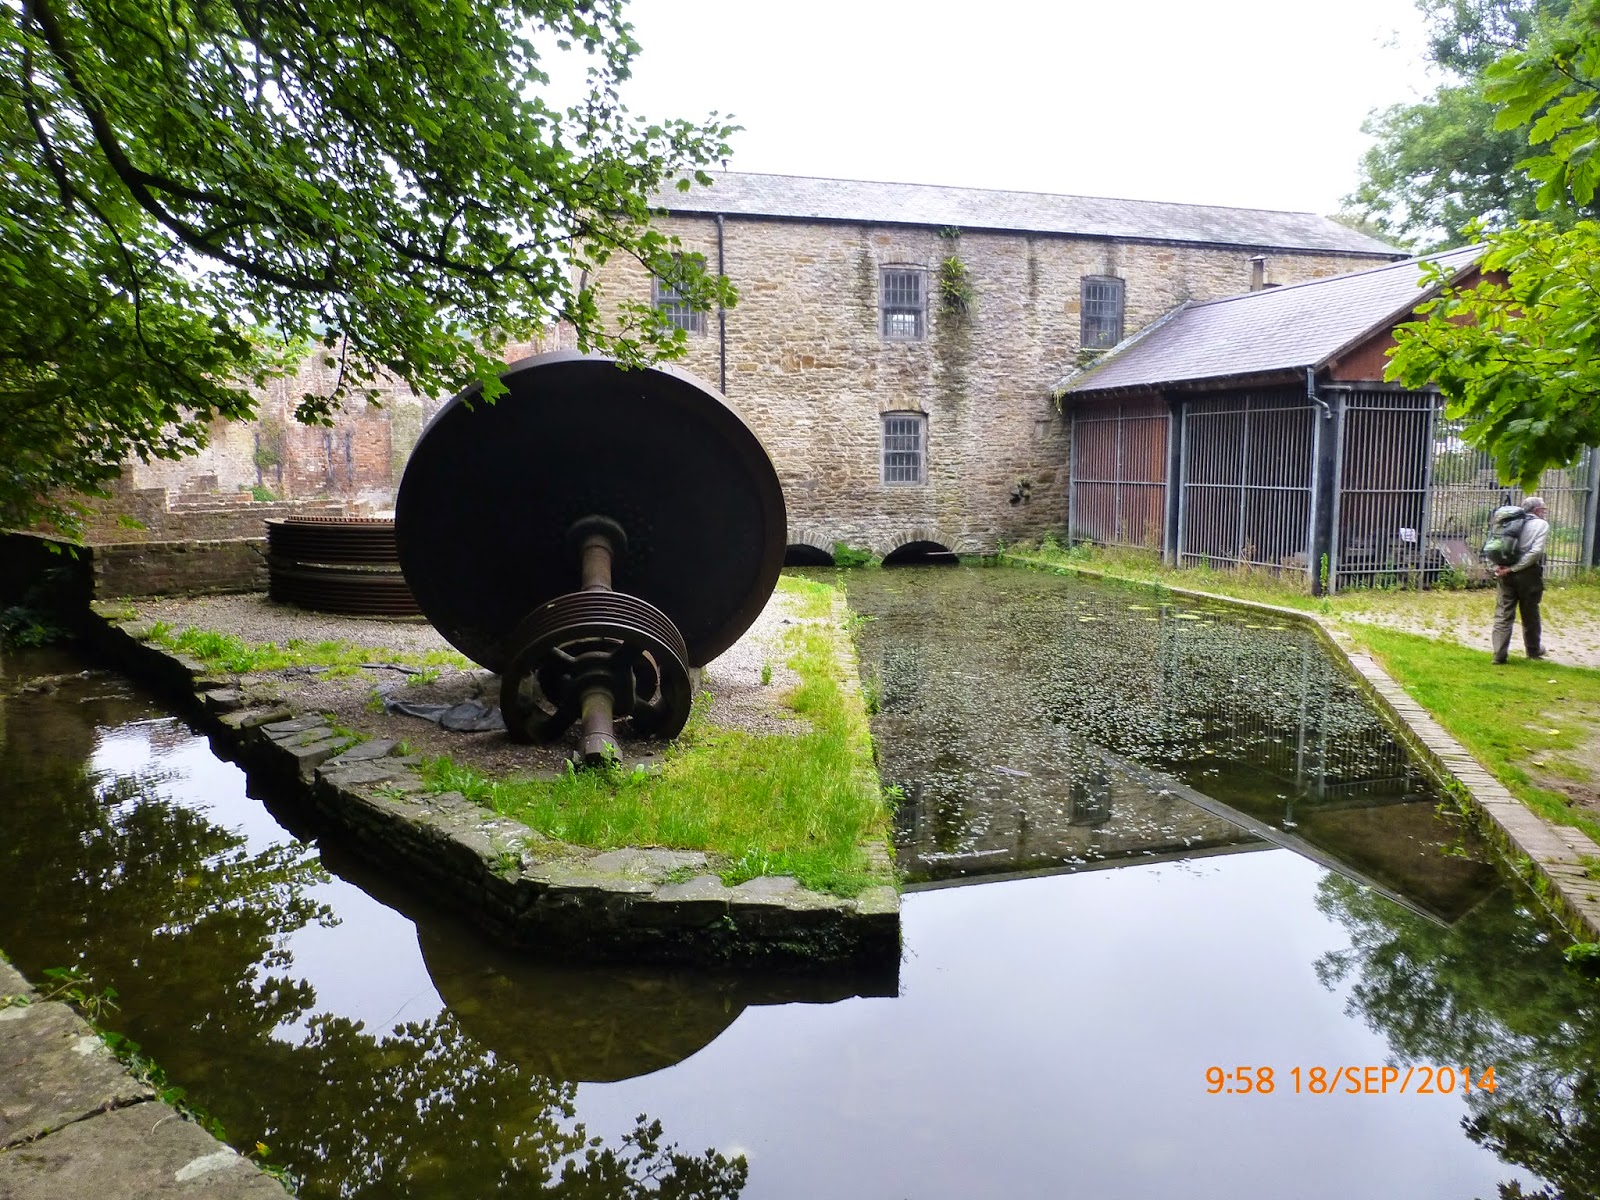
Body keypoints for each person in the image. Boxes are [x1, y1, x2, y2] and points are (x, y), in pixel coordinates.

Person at [1492, 495, 1549, 664]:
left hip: (1505, 570)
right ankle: (1533, 651)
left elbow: (1496, 544)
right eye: (1543, 510)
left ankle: (1499, 654)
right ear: (1537, 510)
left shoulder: (1510, 522)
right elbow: (1535, 553)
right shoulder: (1541, 525)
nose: (1545, 513)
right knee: (1530, 612)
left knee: (1503, 612)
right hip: (1528, 573)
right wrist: (1515, 568)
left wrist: (1501, 566)